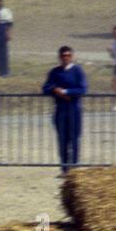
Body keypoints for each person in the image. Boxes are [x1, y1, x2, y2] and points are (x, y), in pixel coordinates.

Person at [42, 46, 88, 175]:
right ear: (60, 57)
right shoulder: (55, 72)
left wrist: (66, 91)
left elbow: (82, 89)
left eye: (68, 55)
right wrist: (55, 91)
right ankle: (64, 168)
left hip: (74, 108)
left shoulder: (78, 71)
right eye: (63, 56)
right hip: (60, 109)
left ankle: (74, 168)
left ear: (72, 56)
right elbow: (46, 87)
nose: (65, 58)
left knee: (74, 139)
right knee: (62, 140)